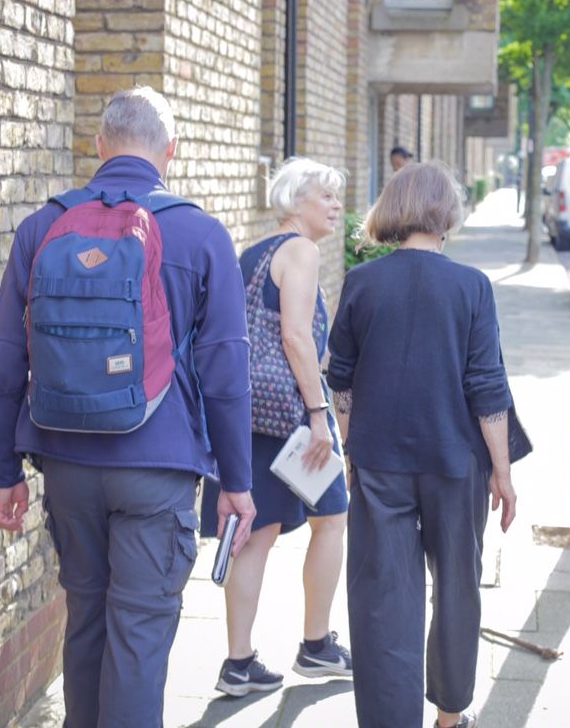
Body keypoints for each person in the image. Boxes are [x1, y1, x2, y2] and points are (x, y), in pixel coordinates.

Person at [0, 86, 257, 727]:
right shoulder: (199, 232)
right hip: (156, 470)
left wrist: (4, 471)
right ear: (172, 152)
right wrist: (237, 484)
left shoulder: (41, 226)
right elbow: (226, 375)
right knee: (137, 638)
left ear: (100, 146)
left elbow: (2, 364)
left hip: (66, 465)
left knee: (85, 623)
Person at [328, 162, 519, 728]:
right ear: (446, 213)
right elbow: (487, 388)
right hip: (455, 464)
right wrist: (503, 471)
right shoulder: (471, 287)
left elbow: (341, 380)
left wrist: (348, 448)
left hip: (380, 463)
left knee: (384, 598)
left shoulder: (362, 283)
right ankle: (450, 716)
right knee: (459, 588)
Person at [201, 158, 353, 696]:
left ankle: (239, 662)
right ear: (296, 202)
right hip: (291, 418)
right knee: (332, 517)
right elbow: (296, 337)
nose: (336, 206)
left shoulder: (254, 253)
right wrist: (320, 414)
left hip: (247, 415)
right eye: (326, 196)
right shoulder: (303, 251)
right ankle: (316, 645)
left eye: (338, 197)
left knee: (253, 535)